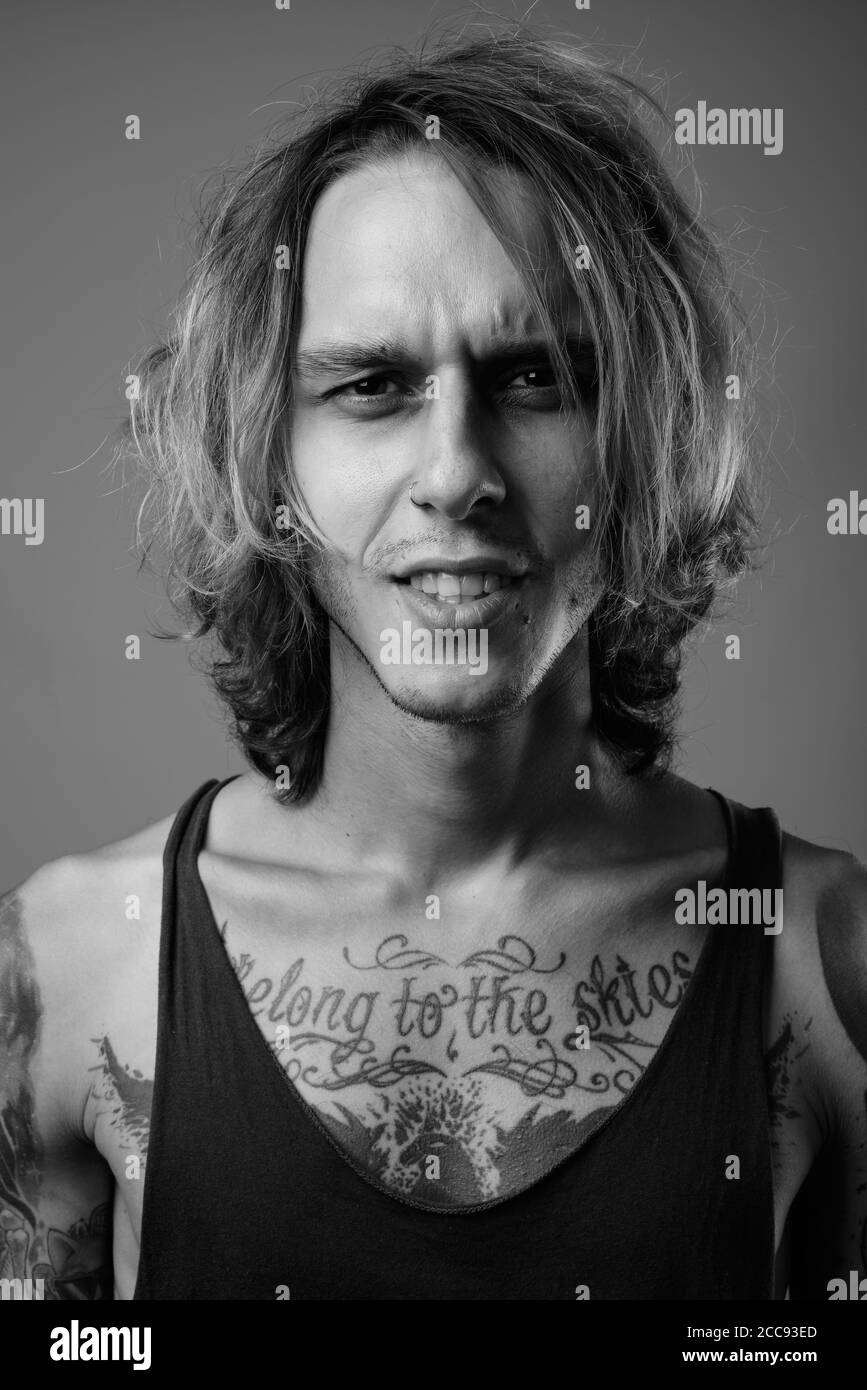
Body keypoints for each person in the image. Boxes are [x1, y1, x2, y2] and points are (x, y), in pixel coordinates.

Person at [2, 29, 865, 1303]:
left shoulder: (825, 961)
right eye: (371, 386)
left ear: (642, 436)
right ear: (267, 459)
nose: (457, 473)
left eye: (536, 378)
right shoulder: (68, 970)